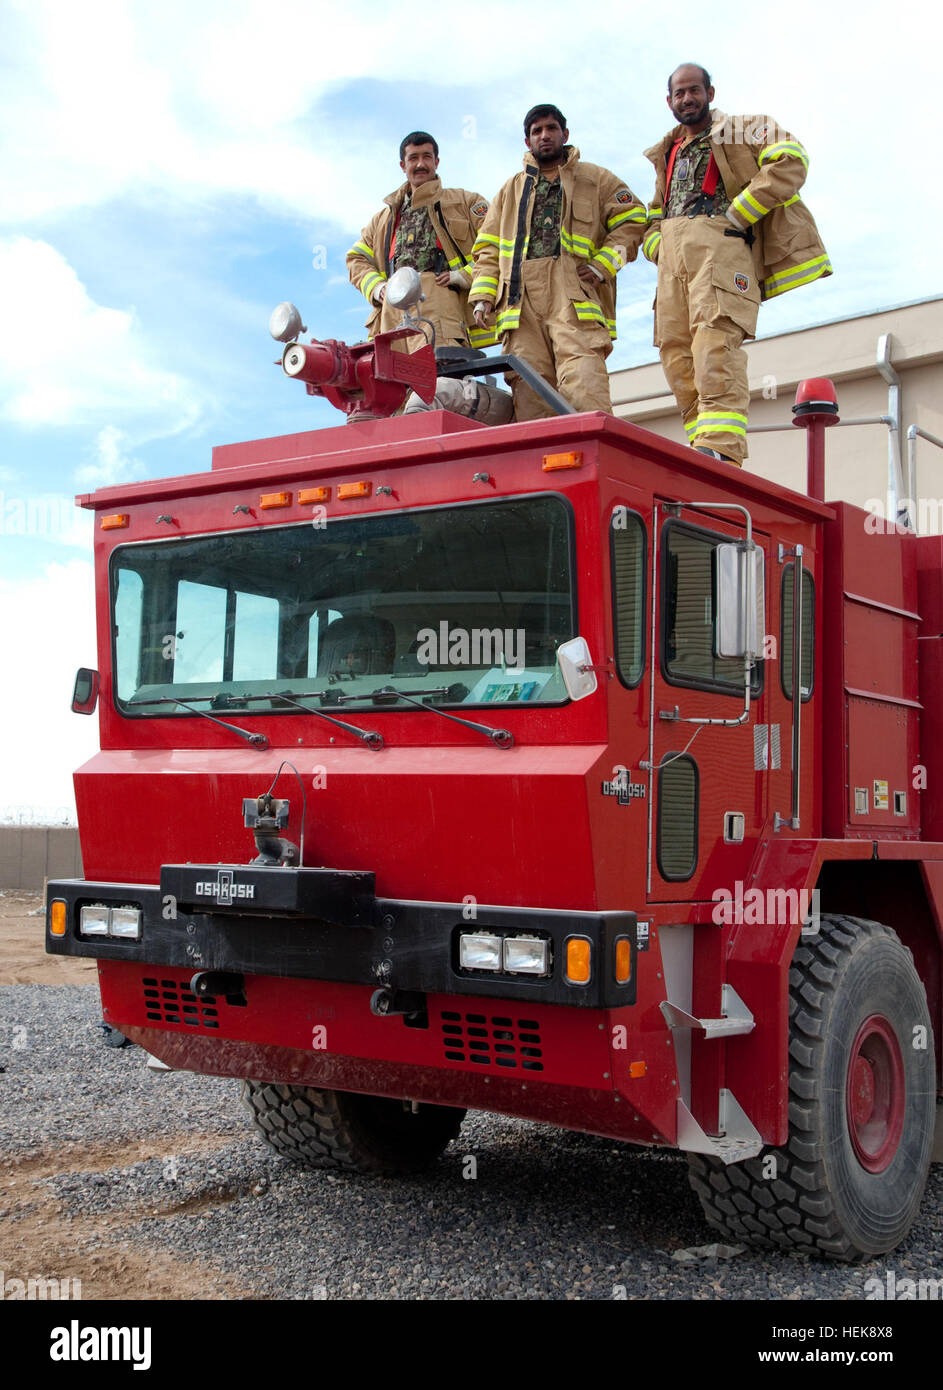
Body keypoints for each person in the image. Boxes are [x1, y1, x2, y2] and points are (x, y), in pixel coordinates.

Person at [643, 64, 832, 465]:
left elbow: (791, 160)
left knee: (715, 344)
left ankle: (723, 450)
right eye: (679, 93)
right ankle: (702, 448)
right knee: (677, 355)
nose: (687, 99)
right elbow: (653, 213)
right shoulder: (669, 152)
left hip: (721, 251)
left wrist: (738, 214)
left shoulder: (742, 129)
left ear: (710, 93)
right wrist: (657, 245)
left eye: (694, 91)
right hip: (673, 263)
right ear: (669, 101)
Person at [467, 105, 646, 419]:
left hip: (573, 295)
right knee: (530, 389)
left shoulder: (596, 179)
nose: (545, 136)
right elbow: (487, 249)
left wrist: (604, 264)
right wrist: (482, 296)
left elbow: (633, 221)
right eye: (537, 131)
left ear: (565, 133)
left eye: (551, 128)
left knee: (584, 378)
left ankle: (590, 455)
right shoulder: (510, 191)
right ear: (527, 141)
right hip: (519, 303)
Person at [346, 132, 494, 352]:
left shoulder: (465, 202)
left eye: (427, 157)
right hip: (391, 308)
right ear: (402, 165)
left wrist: (463, 276)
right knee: (392, 379)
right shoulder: (383, 220)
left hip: (439, 299)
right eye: (413, 158)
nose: (420, 164)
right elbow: (356, 259)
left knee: (439, 377)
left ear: (437, 162)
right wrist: (378, 288)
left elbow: (495, 244)